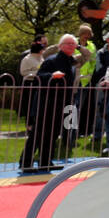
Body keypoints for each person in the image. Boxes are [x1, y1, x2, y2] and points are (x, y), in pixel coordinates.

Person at [20, 34, 79, 172]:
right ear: (60, 46)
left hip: (61, 103)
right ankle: (25, 162)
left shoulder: (71, 62)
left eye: (73, 44)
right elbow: (38, 77)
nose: (71, 46)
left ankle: (45, 161)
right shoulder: (51, 60)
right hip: (46, 103)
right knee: (38, 133)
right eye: (67, 43)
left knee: (52, 134)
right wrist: (52, 76)